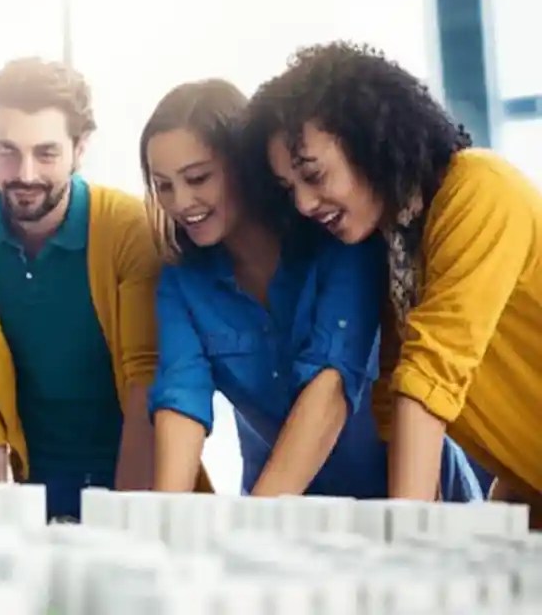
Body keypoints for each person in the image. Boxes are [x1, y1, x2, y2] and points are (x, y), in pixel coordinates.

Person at [143, 78, 483, 500]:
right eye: (164, 186)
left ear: (245, 165)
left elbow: (331, 386)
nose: (182, 202)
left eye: (198, 178)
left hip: (409, 500)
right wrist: (164, 522)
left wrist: (255, 517)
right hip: (285, 518)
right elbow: (181, 401)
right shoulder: (181, 281)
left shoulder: (340, 241)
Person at [259, 41, 536, 522]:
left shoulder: (479, 188)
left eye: (314, 174)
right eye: (290, 190)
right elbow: (396, 402)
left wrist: (406, 550)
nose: (303, 204)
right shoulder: (396, 247)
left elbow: (431, 377)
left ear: (370, 140)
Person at [0, 58, 207, 522]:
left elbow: (145, 381)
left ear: (80, 148)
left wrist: (121, 523)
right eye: (7, 151)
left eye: (46, 153)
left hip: (134, 489)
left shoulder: (129, 227)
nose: (24, 173)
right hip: (28, 495)